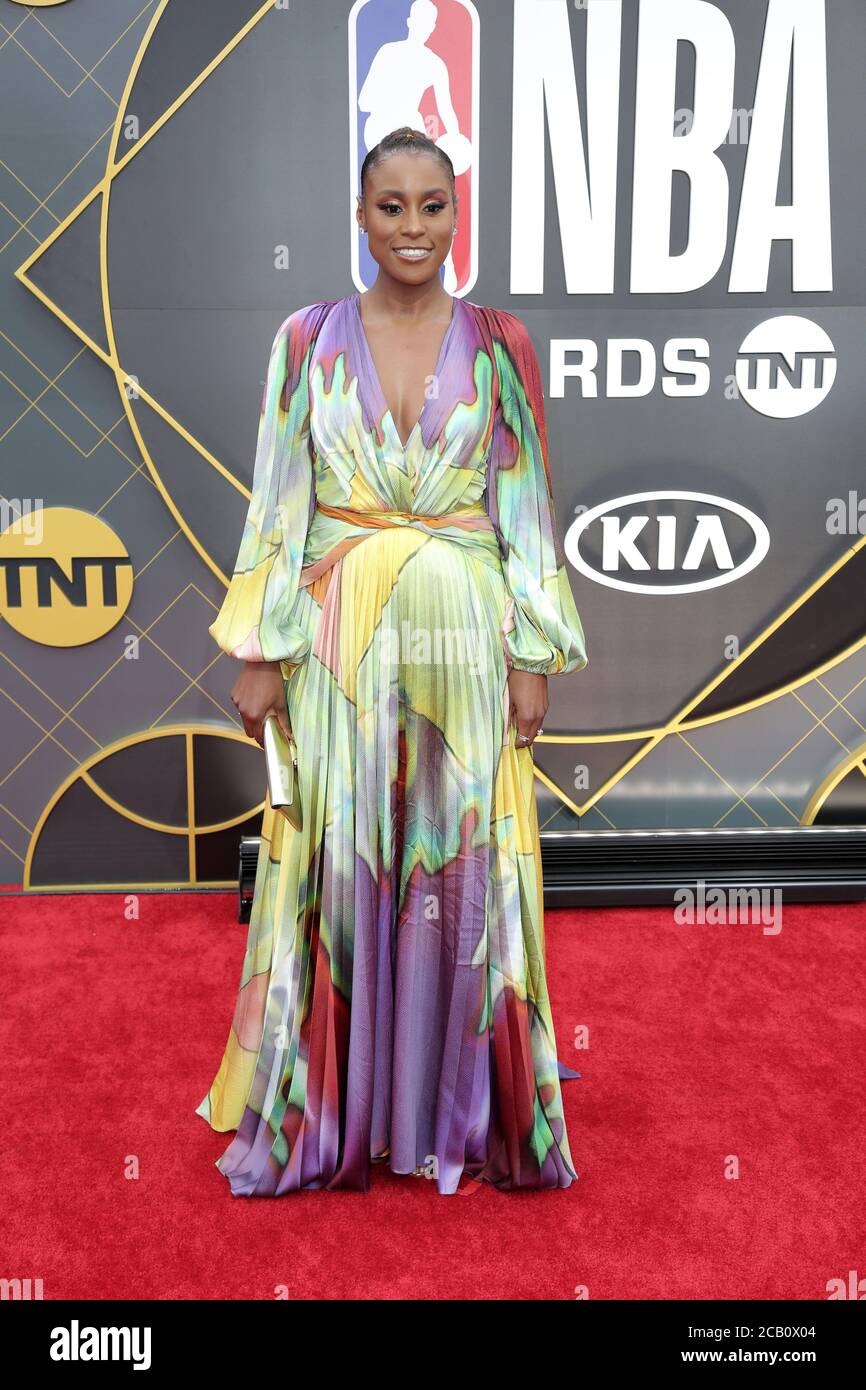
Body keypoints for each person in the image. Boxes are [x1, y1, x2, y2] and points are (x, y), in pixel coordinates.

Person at [195, 126, 588, 1196]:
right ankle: (335, 1111)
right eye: (390, 207)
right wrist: (263, 651)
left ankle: (456, 1108)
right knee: (342, 863)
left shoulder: (503, 342)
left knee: (463, 876)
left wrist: (531, 654)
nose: (412, 228)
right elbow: (278, 504)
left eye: (432, 206)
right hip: (339, 643)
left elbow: (523, 510)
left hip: (466, 639)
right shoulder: (306, 339)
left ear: (458, 216)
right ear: (359, 215)